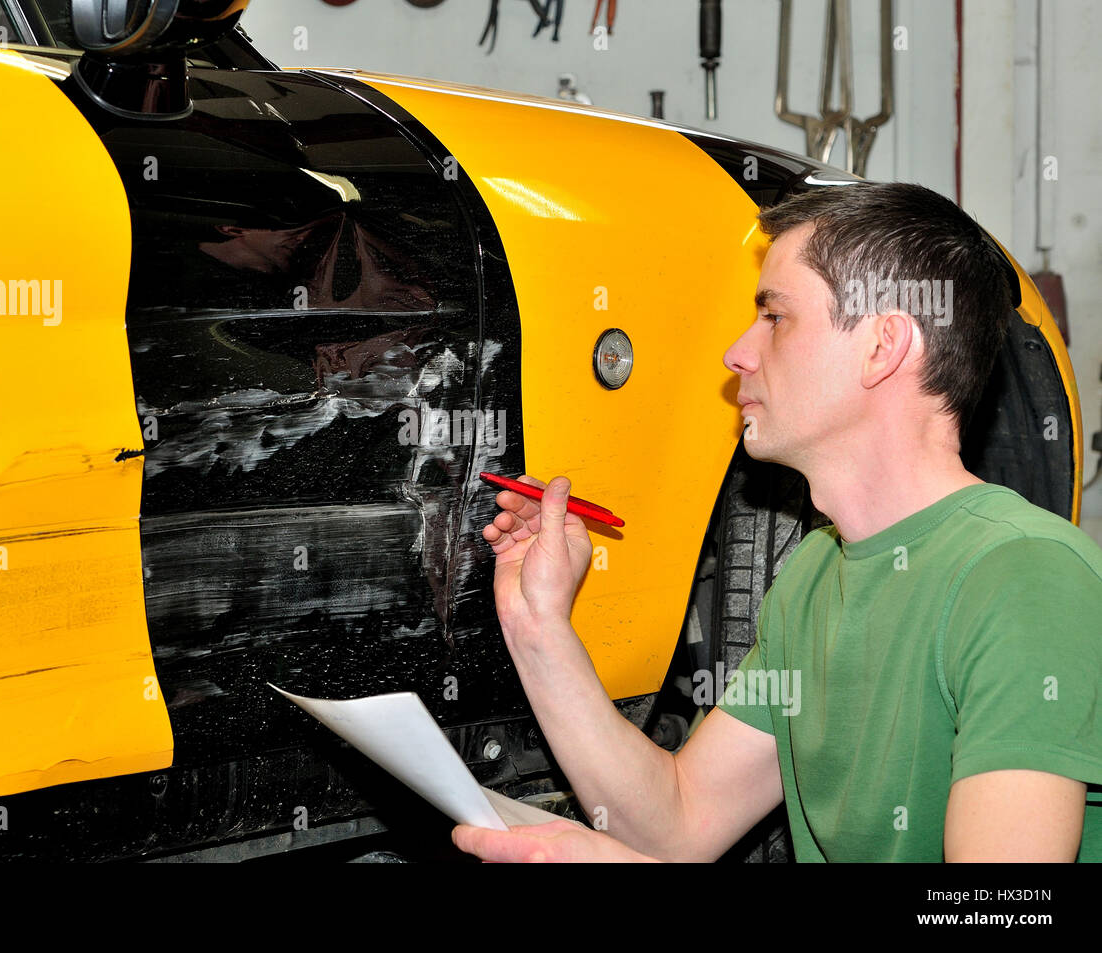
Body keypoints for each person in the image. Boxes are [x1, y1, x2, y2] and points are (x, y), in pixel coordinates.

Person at [451, 182, 1102, 863]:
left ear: (883, 347)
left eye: (775, 317)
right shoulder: (812, 577)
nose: (737, 351)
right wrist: (538, 624)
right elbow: (675, 822)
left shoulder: (1026, 576)